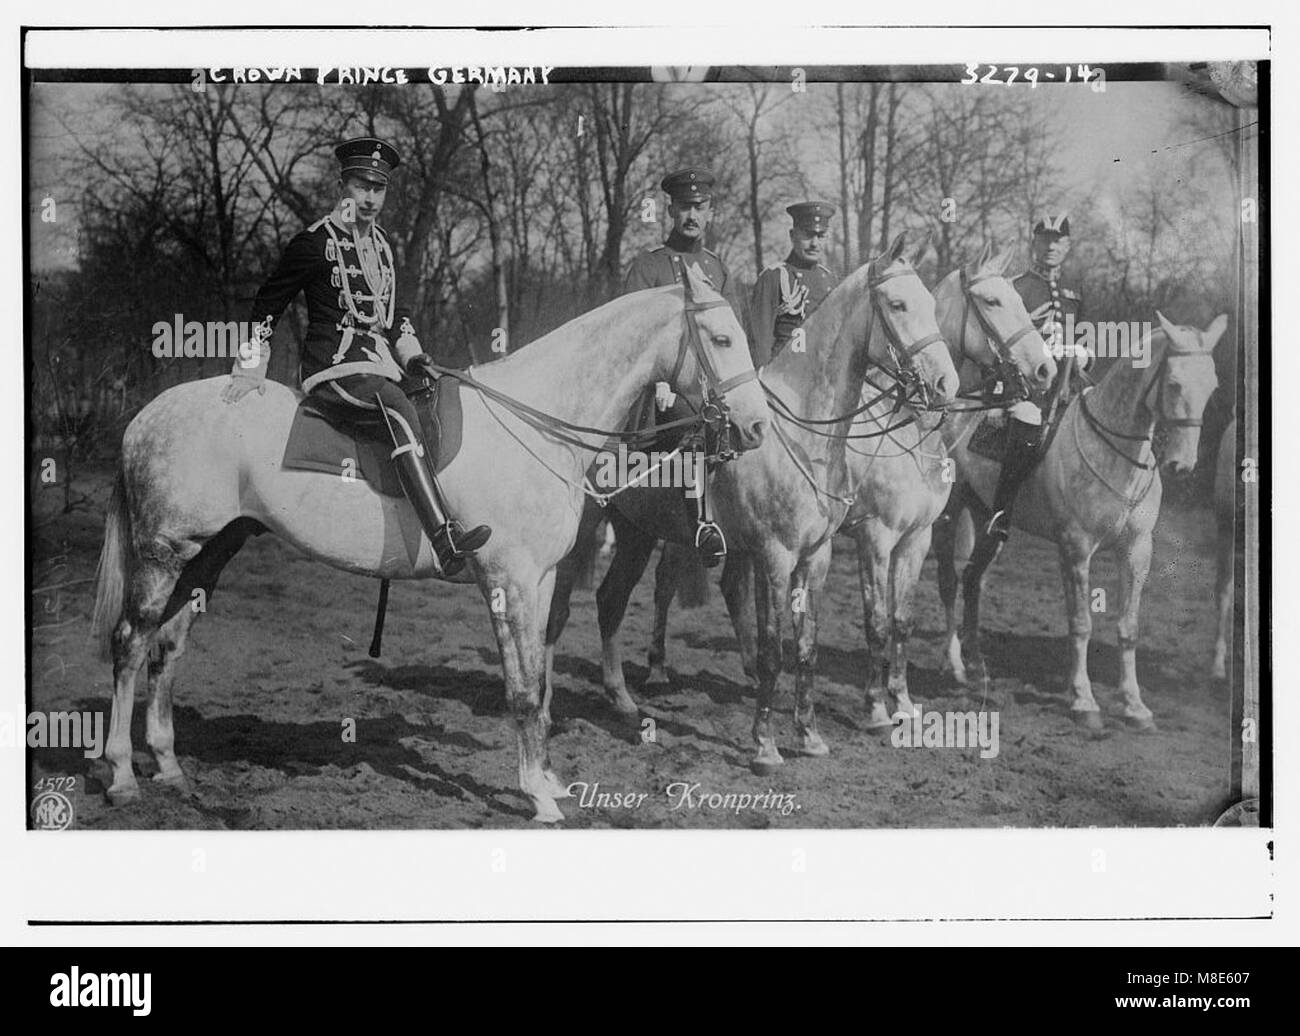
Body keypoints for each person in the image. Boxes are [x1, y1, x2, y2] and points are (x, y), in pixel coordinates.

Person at [223, 136, 491, 576]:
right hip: (335, 368)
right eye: (362, 185)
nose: (370, 198)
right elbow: (268, 303)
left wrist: (413, 356)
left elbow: (397, 316)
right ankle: (444, 541)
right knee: (400, 411)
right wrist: (251, 367)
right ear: (344, 185)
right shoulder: (312, 243)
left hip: (381, 365)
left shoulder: (384, 247)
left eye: (378, 188)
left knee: (429, 402)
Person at [622, 167, 729, 566]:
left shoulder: (717, 270)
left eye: (700, 207)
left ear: (710, 212)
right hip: (659, 395)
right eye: (685, 207)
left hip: (712, 391)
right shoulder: (649, 266)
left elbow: (733, 340)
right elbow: (631, 338)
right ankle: (702, 523)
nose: (692, 216)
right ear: (671, 210)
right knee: (693, 419)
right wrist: (658, 380)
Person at [986, 211, 1090, 540]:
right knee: (1027, 424)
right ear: (1034, 243)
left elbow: (1087, 342)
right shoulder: (1017, 288)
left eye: (1057, 241)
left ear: (1068, 246)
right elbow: (999, 347)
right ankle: (1001, 514)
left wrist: (1082, 355)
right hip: (1026, 388)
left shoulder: (1075, 294)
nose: (1050, 247)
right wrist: (1001, 395)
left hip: (1068, 387)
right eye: (1044, 240)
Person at [747, 201, 839, 367]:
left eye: (820, 236)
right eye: (807, 235)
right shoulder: (775, 277)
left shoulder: (830, 280)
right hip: (783, 377)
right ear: (792, 235)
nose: (814, 244)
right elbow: (759, 342)